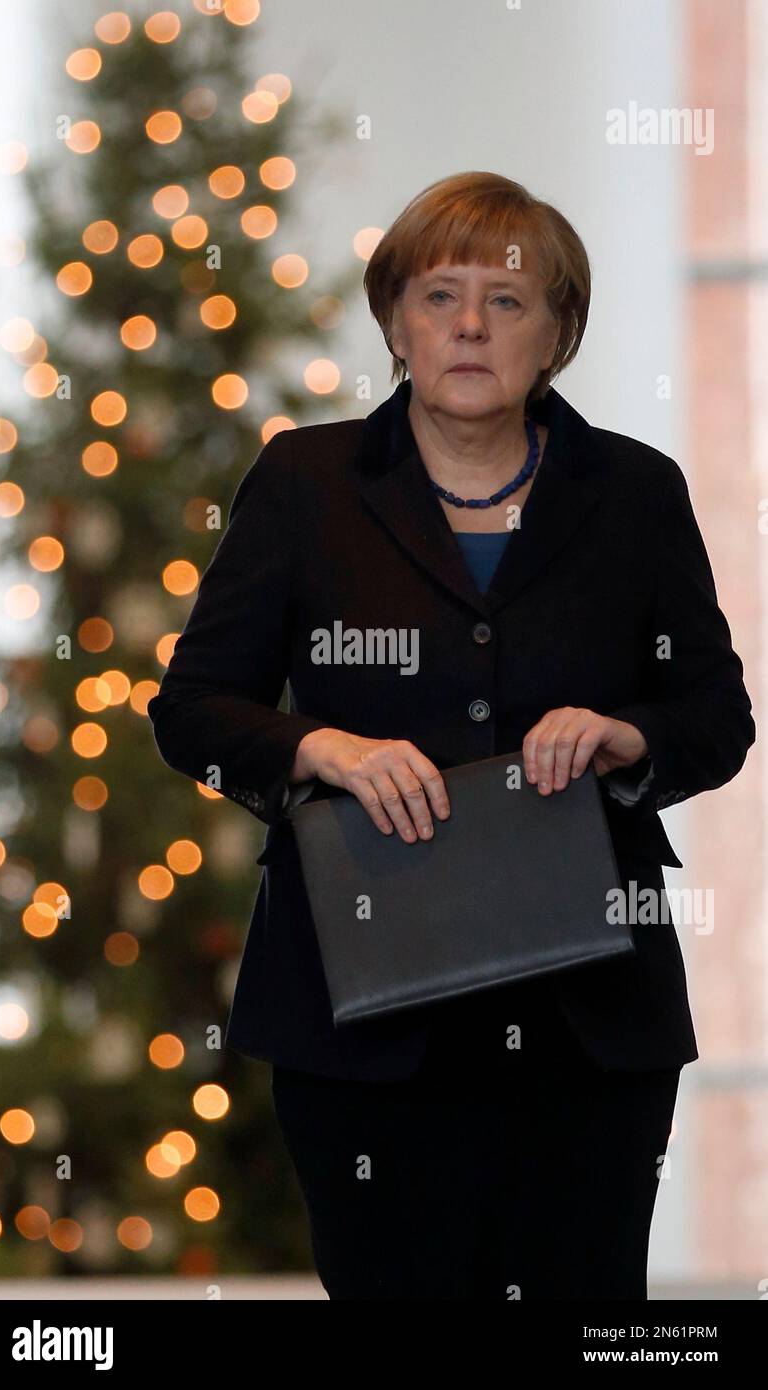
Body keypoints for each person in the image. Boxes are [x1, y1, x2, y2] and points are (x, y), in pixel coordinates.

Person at [147, 171, 755, 1299]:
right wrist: (317, 749)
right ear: (395, 323)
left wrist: (624, 735)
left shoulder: (634, 490)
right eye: (439, 296)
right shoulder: (305, 482)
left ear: (557, 333)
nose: (470, 325)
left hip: (588, 1022)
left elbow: (717, 719)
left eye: (507, 300)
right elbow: (191, 711)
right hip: (362, 1016)